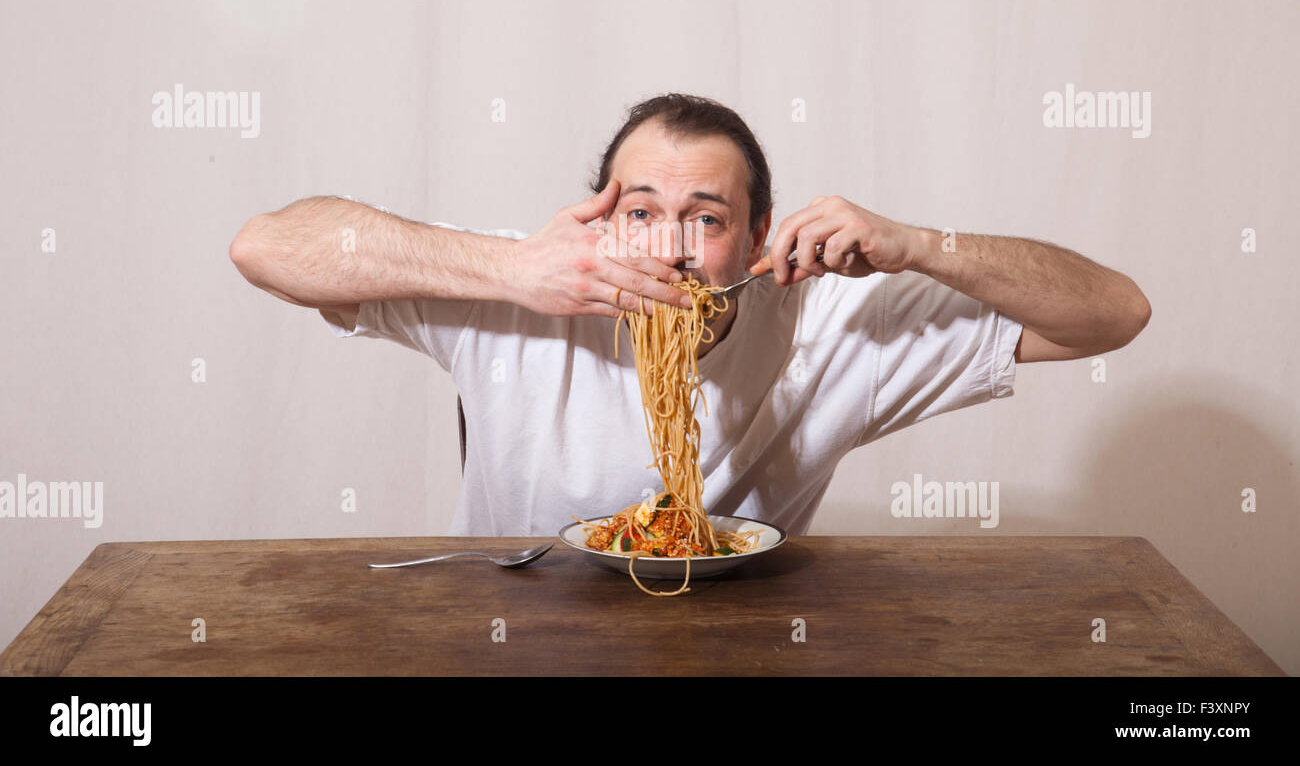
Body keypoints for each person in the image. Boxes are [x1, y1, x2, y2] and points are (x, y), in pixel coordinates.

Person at [228, 93, 1151, 536]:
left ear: (756, 241)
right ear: (598, 217)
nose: (668, 249)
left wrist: (919, 243)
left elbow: (1111, 314)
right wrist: (509, 268)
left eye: (705, 219)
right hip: (510, 642)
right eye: (640, 213)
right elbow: (265, 248)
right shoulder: (517, 287)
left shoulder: (831, 322)